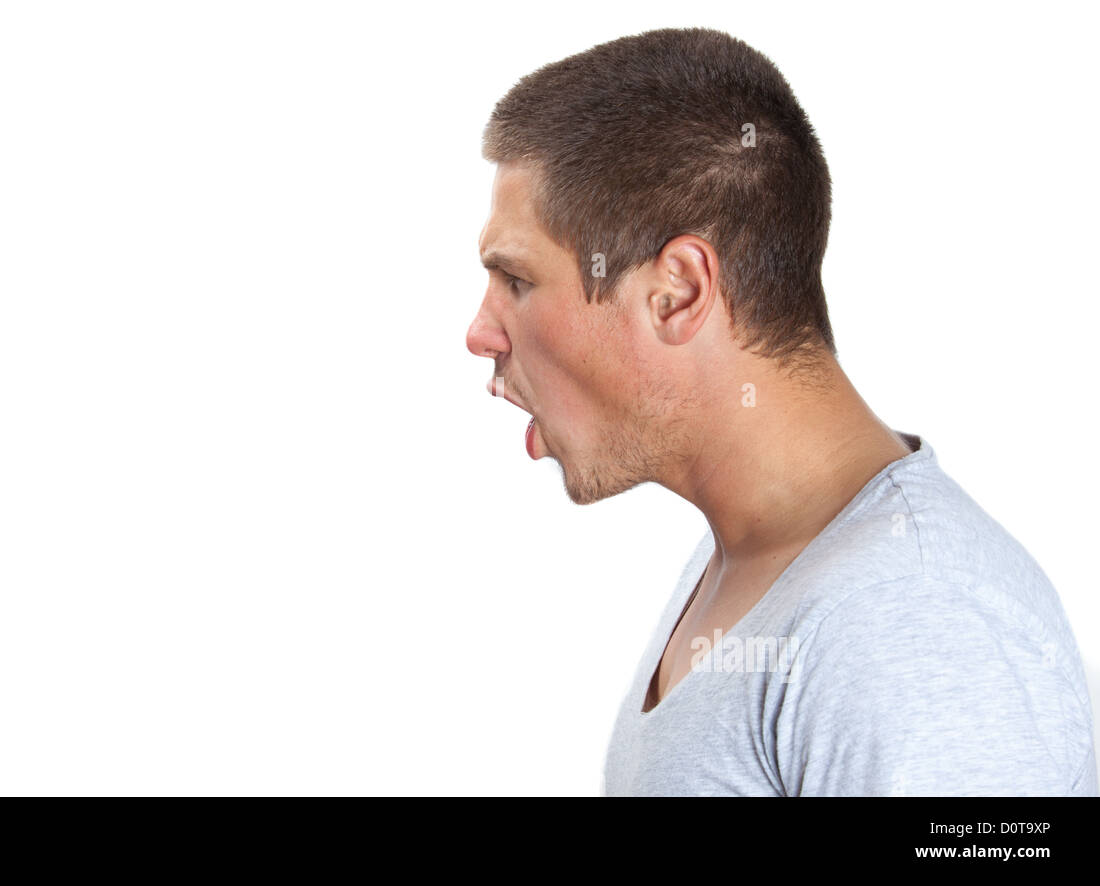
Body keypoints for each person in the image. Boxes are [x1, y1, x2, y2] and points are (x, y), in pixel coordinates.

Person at [466, 27, 1097, 796]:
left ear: (679, 292)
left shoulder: (913, 617)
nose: (481, 332)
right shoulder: (753, 562)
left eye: (517, 281)